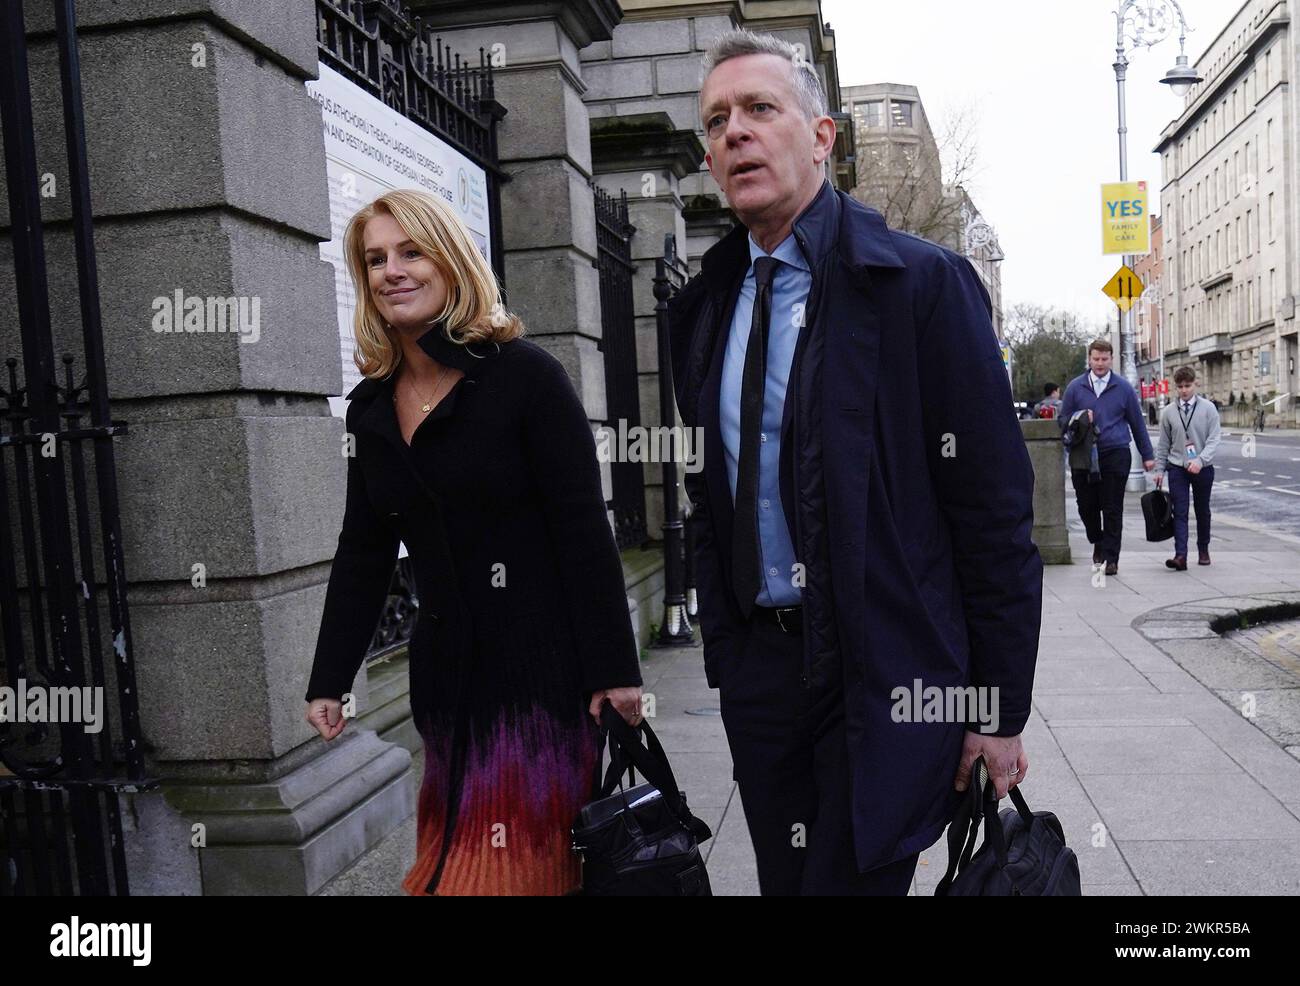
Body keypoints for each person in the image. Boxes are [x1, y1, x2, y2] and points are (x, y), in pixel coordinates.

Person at [667, 29, 1042, 896]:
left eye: (761, 109)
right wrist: (728, 654)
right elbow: (708, 493)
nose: (736, 133)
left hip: (882, 682)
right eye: (717, 120)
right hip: (761, 681)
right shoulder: (701, 309)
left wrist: (993, 708)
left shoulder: (920, 286)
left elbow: (991, 514)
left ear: (822, 136)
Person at [302, 189, 643, 895]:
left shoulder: (524, 378)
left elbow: (583, 530)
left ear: (450, 261)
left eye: (411, 251)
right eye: (374, 259)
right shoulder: (369, 408)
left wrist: (617, 669)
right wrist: (330, 677)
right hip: (447, 684)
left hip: (543, 682)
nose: (392, 270)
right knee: (451, 860)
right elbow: (364, 550)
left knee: (511, 875)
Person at [1057, 340, 1155, 575]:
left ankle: (1111, 558)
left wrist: (1147, 455)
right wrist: (1080, 417)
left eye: (1104, 359)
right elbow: (1062, 422)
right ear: (1089, 360)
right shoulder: (1075, 388)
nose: (1100, 363)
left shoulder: (1123, 388)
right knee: (1087, 507)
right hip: (1084, 455)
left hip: (1115, 452)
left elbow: (1137, 422)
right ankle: (1097, 540)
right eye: (1096, 359)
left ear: (1111, 360)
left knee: (1112, 508)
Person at [1154, 366, 1221, 569]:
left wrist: (1200, 461)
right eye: (1180, 387)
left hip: (1203, 467)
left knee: (1202, 510)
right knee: (1179, 511)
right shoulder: (1168, 412)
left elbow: (1214, 439)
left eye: (1188, 386)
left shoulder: (1208, 408)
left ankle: (1203, 549)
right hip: (1177, 467)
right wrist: (1159, 470)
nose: (1184, 391)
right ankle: (1180, 555)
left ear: (1195, 384)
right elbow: (1163, 444)